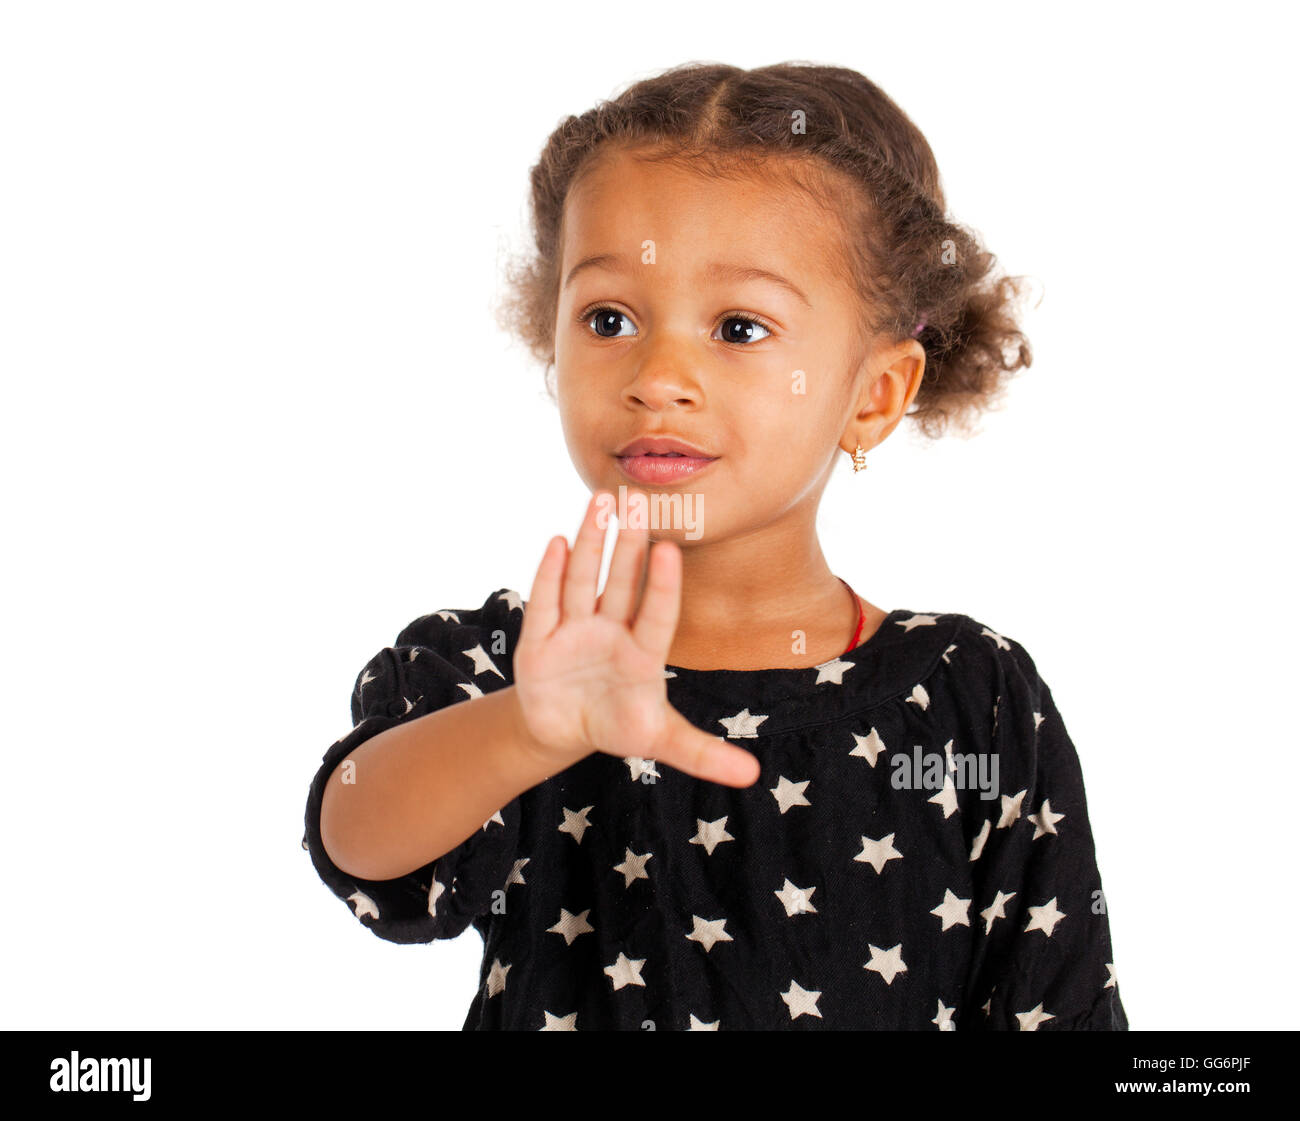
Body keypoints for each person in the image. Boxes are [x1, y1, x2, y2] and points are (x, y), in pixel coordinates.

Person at [301, 61, 1128, 1031]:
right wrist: (528, 726)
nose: (659, 375)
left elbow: (1059, 1005)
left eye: (738, 327)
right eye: (608, 318)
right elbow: (356, 836)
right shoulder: (502, 666)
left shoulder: (970, 699)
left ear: (873, 394)